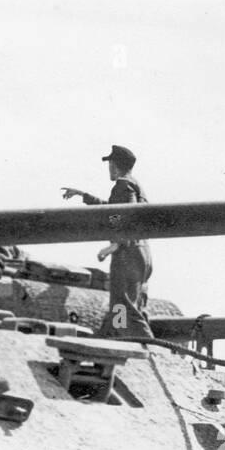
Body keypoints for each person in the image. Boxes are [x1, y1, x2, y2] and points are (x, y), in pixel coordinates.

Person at [61, 145, 153, 338]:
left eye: (109, 164)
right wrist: (83, 195)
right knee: (124, 305)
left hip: (127, 254)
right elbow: (113, 211)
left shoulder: (123, 184)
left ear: (113, 164)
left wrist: (115, 244)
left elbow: (125, 214)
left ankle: (149, 347)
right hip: (140, 253)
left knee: (123, 305)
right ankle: (117, 337)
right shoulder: (134, 184)